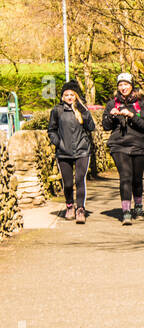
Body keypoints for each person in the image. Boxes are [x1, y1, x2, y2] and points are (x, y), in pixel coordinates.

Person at [102, 72, 144, 225]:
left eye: (126, 84)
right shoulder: (112, 103)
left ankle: (138, 206)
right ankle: (125, 212)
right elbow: (105, 126)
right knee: (125, 177)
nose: (123, 87)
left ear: (131, 85)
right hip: (119, 144)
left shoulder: (142, 102)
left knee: (137, 179)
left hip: (139, 144)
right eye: (120, 85)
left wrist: (131, 115)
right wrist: (111, 116)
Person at [46, 80, 97, 224]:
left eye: (72, 95)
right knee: (67, 183)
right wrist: (58, 142)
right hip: (63, 152)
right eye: (66, 95)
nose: (69, 97)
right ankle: (70, 205)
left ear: (76, 96)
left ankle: (80, 209)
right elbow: (51, 130)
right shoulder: (57, 110)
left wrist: (83, 111)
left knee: (79, 180)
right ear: (62, 97)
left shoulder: (82, 109)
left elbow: (91, 127)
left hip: (82, 151)